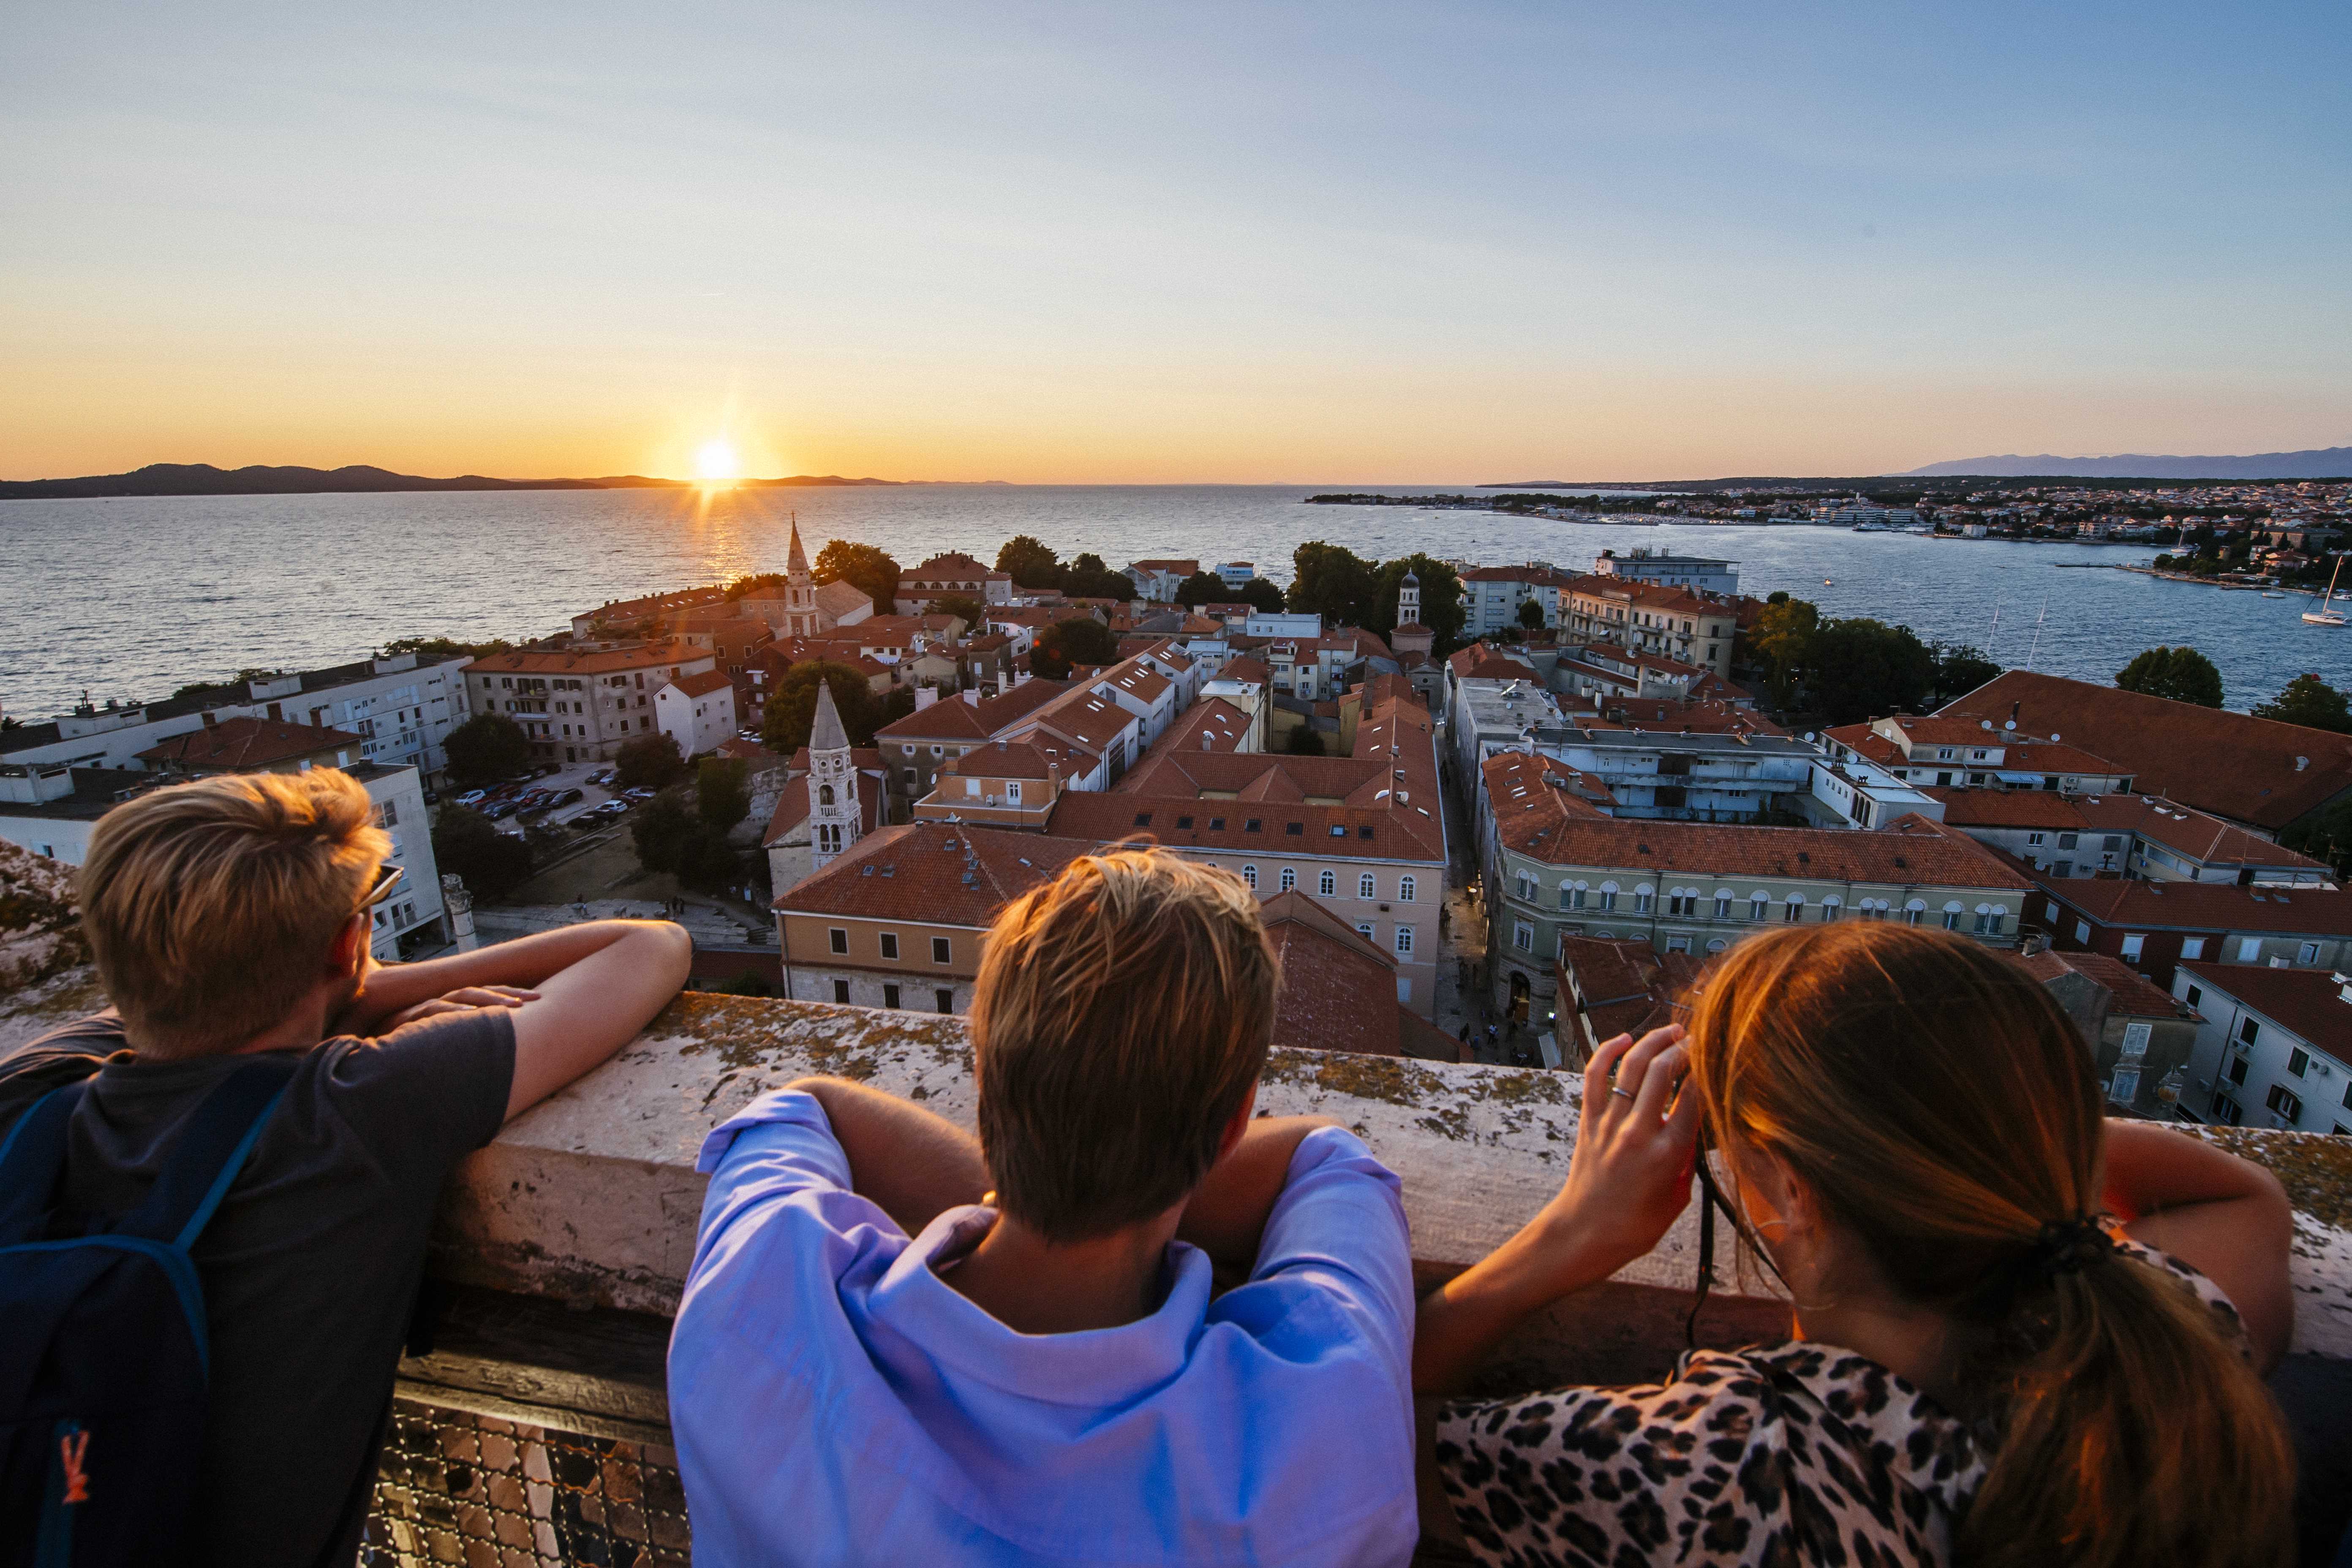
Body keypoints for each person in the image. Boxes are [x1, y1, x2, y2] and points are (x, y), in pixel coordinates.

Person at [1415, 922, 2295, 1568]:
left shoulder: (1701, 1470)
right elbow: (2247, 1196)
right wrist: (1986, 1136)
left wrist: (1567, 1235)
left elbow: (1349, 1438)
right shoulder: (2161, 1350)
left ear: (1793, 1194)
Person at [0, 769, 691, 1567]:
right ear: (346, 943)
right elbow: (648, 945)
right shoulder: (354, 1110)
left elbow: (172, 1004)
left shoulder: (28, 1094)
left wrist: (330, 978)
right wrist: (353, 986)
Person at [667, 849, 1419, 1566]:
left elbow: (805, 1106)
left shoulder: (751, 1303)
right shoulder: (1320, 1452)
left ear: (984, 1074)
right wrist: (1131, 1169)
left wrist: (1040, 1173)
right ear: (1232, 1126)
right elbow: (1326, 1157)